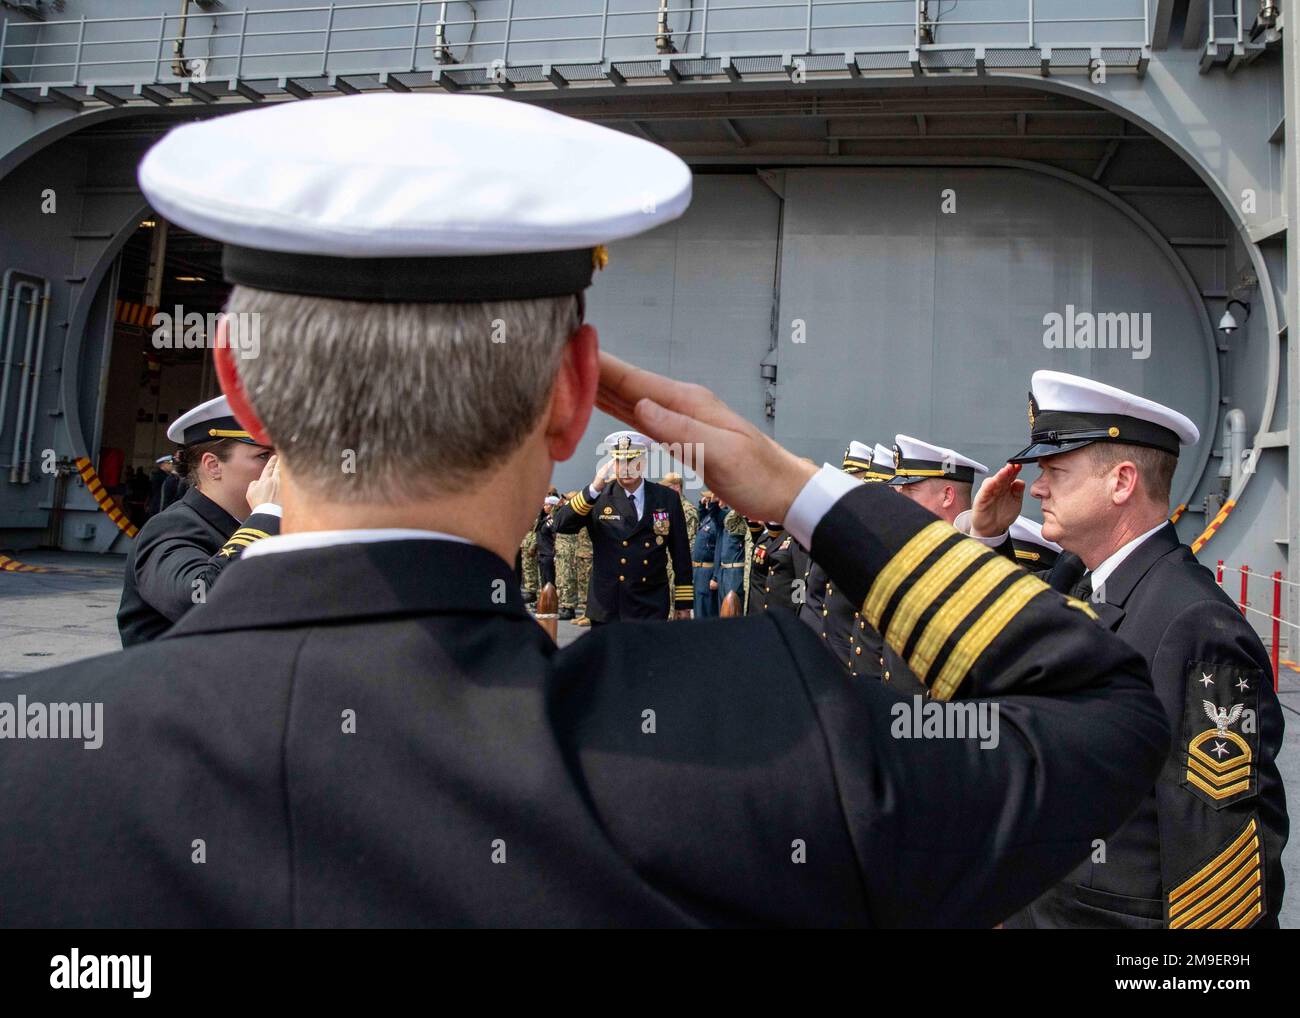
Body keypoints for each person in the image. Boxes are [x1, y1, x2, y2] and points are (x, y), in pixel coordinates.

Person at [0, 94, 1168, 928]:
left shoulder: (32, 766)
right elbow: (1101, 708)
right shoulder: (766, 749)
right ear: (572, 400)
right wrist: (806, 488)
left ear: (245, 391)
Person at [967, 370, 1288, 929]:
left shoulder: (1193, 627)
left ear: (1121, 482)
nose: (1037, 489)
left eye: (1055, 471)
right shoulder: (1078, 580)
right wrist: (988, 539)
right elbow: (993, 648)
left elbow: (1215, 857)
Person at [116, 394, 282, 647]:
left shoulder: (262, 526)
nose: (278, 467)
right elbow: (197, 602)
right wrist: (265, 515)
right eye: (263, 456)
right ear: (213, 465)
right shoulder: (171, 527)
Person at [551, 430, 693, 624]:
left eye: (631, 461)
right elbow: (561, 524)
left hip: (650, 603)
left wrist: (684, 603)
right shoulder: (599, 497)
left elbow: (681, 554)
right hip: (609, 604)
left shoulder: (666, 498)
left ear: (642, 463)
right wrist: (593, 488)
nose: (626, 468)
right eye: (620, 461)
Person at [690, 490, 723, 618]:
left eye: (709, 500)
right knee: (698, 609)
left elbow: (719, 551)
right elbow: (701, 516)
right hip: (698, 571)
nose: (706, 502)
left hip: (708, 571)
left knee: (707, 611)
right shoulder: (707, 519)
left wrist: (715, 577)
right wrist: (701, 504)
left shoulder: (718, 520)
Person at [536, 494, 559, 592]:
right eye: (544, 504)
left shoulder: (553, 520)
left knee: (550, 581)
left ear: (553, 506)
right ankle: (544, 600)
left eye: (547, 505)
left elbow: (556, 538)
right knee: (543, 580)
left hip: (549, 554)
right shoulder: (545, 519)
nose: (544, 507)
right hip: (542, 554)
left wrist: (555, 554)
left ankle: (551, 602)